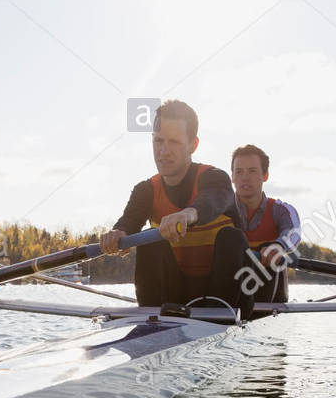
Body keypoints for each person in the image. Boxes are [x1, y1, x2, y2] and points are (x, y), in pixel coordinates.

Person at [101, 100, 253, 320]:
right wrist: (117, 234)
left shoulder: (215, 179)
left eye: (174, 142)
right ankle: (151, 321)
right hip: (177, 295)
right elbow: (129, 221)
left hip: (228, 298)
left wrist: (187, 214)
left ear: (193, 144)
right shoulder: (145, 190)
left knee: (233, 238)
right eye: (158, 141)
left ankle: (218, 319)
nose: (163, 151)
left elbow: (211, 201)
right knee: (147, 239)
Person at [230, 144, 301, 304]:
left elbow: (293, 233)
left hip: (270, 288)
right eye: (239, 171)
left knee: (272, 253)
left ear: (265, 175)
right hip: (232, 284)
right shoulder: (221, 209)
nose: (245, 177)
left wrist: (279, 246)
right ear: (232, 177)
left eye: (252, 171)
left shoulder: (281, 210)